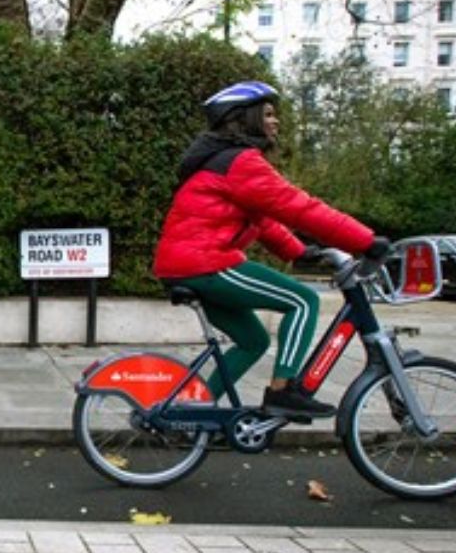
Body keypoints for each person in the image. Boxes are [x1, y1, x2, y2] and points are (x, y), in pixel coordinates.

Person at [152, 81, 387, 418]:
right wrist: (365, 241)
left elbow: (261, 218)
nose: (276, 122)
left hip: (187, 264)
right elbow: (298, 207)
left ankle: (192, 413)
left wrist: (296, 251)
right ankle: (283, 391)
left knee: (253, 341)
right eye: (268, 114)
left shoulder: (222, 161)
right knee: (303, 300)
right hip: (206, 263)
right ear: (244, 118)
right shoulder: (241, 162)